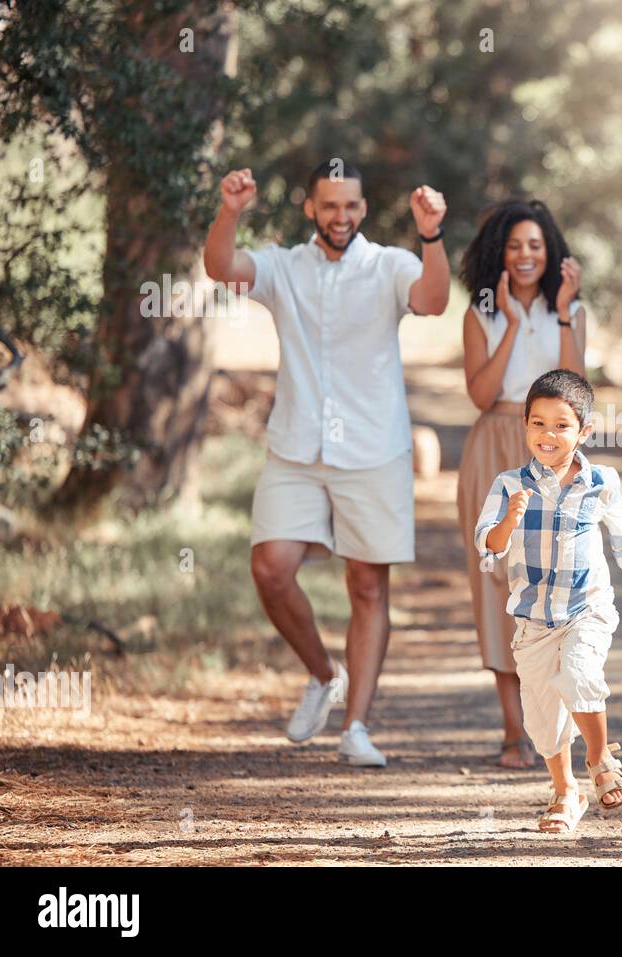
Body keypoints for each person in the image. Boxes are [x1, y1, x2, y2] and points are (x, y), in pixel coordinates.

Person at [203, 161, 450, 766]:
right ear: (309, 208)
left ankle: (356, 728)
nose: (342, 216)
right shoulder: (283, 266)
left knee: (367, 585)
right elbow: (221, 267)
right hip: (297, 446)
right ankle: (322, 674)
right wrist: (230, 211)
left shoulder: (389, 264)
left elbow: (434, 300)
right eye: (330, 206)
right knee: (271, 568)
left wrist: (432, 234)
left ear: (363, 209)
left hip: (373, 448)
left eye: (352, 206)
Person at [474, 370, 622, 833]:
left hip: (586, 608)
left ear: (584, 432)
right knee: (543, 719)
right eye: (538, 424)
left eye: (561, 425)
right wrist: (509, 522)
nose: (548, 435)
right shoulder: (508, 484)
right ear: (525, 426)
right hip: (533, 619)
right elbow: (489, 547)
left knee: (579, 673)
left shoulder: (601, 481)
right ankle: (565, 790)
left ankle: (600, 761)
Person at [456, 199, 587, 769]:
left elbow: (578, 388)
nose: (526, 255)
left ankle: (554, 731)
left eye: (536, 245)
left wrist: (560, 314)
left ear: (550, 251)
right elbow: (482, 394)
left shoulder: (573, 310)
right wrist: (510, 323)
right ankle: (514, 732)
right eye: (514, 246)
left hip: (554, 448)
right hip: (493, 443)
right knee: (496, 580)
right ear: (499, 254)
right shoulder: (480, 314)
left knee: (557, 577)